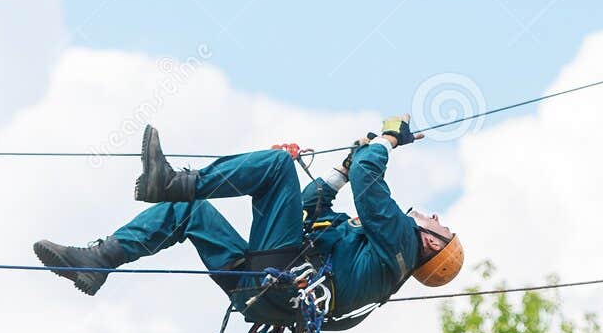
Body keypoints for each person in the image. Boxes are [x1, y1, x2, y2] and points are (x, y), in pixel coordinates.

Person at [33, 116, 463, 322]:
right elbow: (307, 214)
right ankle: (96, 263)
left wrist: (387, 141)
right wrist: (343, 170)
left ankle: (170, 182)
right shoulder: (382, 258)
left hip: (277, 278)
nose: (438, 218)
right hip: (258, 291)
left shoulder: (403, 241)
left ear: (432, 246)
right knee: (191, 212)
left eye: (443, 229)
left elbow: (372, 182)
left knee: (277, 167)